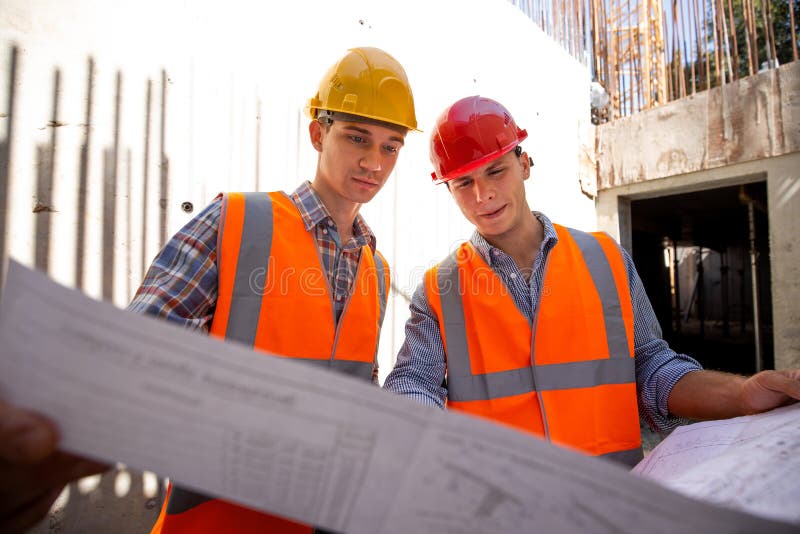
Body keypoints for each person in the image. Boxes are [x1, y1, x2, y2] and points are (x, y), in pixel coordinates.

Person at [0, 46, 417, 533]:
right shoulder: (238, 222)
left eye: (390, 146)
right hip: (215, 521)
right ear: (318, 133)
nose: (374, 161)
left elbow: (358, 396)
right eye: (357, 137)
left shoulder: (376, 268)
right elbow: (138, 358)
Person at [383, 95, 800, 467]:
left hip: (608, 508)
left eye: (496, 171)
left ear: (524, 164)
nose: (482, 195)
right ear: (449, 188)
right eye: (463, 183)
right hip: (496, 515)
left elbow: (653, 370)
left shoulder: (605, 259)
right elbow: (412, 382)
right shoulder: (442, 288)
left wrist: (743, 395)